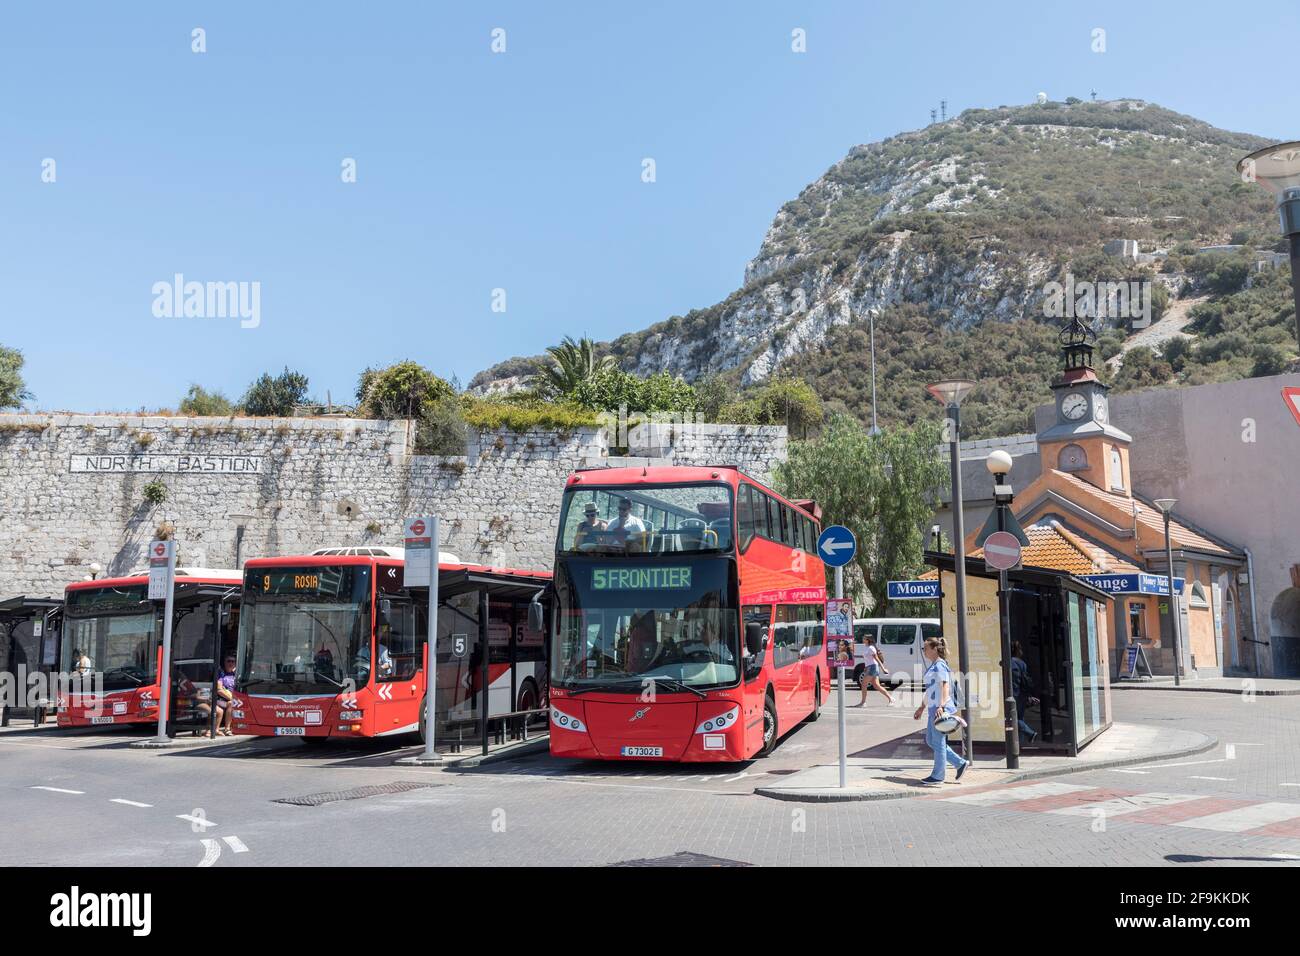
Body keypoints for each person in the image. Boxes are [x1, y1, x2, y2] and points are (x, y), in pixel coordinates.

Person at [913, 637, 969, 785]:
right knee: (931, 741)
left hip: (940, 709)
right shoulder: (933, 666)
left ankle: (938, 776)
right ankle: (960, 763)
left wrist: (942, 706)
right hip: (934, 709)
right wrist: (922, 707)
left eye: (925, 648)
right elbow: (931, 689)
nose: (924, 651)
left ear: (933, 649)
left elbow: (945, 687)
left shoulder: (940, 666)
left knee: (937, 742)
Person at [853, 634, 895, 706]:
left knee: (863, 684)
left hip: (872, 667)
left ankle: (863, 702)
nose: (863, 639)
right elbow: (868, 659)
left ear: (868, 640)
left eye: (864, 638)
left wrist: (883, 668)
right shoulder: (867, 647)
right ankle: (891, 698)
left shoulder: (871, 648)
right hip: (870, 667)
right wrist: (866, 667)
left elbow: (876, 658)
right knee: (876, 686)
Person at [1010, 641, 1040, 744]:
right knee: (1019, 717)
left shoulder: (1010, 662)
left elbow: (1014, 682)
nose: (1022, 651)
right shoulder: (1021, 663)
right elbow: (1024, 680)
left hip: (1015, 695)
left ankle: (1030, 733)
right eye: (1020, 649)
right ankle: (1020, 741)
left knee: (1012, 718)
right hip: (1022, 694)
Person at [211, 654, 237, 737]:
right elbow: (219, 690)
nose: (230, 663)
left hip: (236, 697)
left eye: (233, 661)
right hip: (222, 699)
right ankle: (227, 729)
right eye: (228, 661)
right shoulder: (221, 674)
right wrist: (232, 698)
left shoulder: (236, 674)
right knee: (231, 703)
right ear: (224, 663)